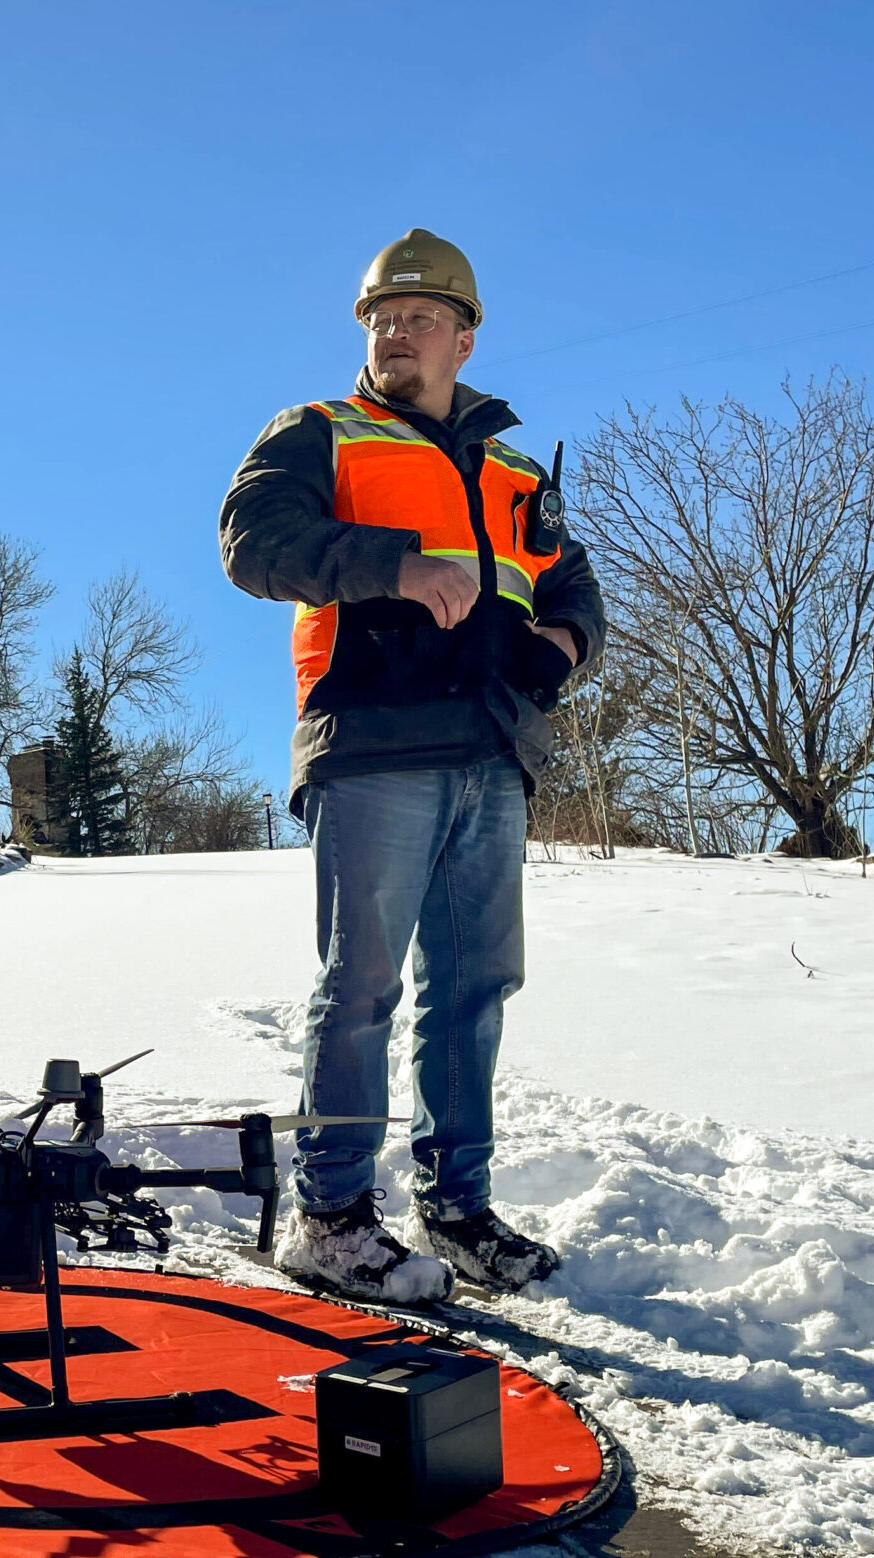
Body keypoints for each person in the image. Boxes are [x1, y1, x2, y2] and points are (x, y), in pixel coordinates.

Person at [219, 229, 605, 1303]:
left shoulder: (516, 470)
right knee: (363, 986)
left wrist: (563, 644)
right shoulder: (318, 432)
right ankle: (332, 1218)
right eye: (381, 318)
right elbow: (252, 541)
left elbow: (574, 587)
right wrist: (394, 565)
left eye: (419, 318)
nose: (395, 332)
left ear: (463, 340)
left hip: (492, 752)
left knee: (473, 988)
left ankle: (457, 1210)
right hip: (373, 742)